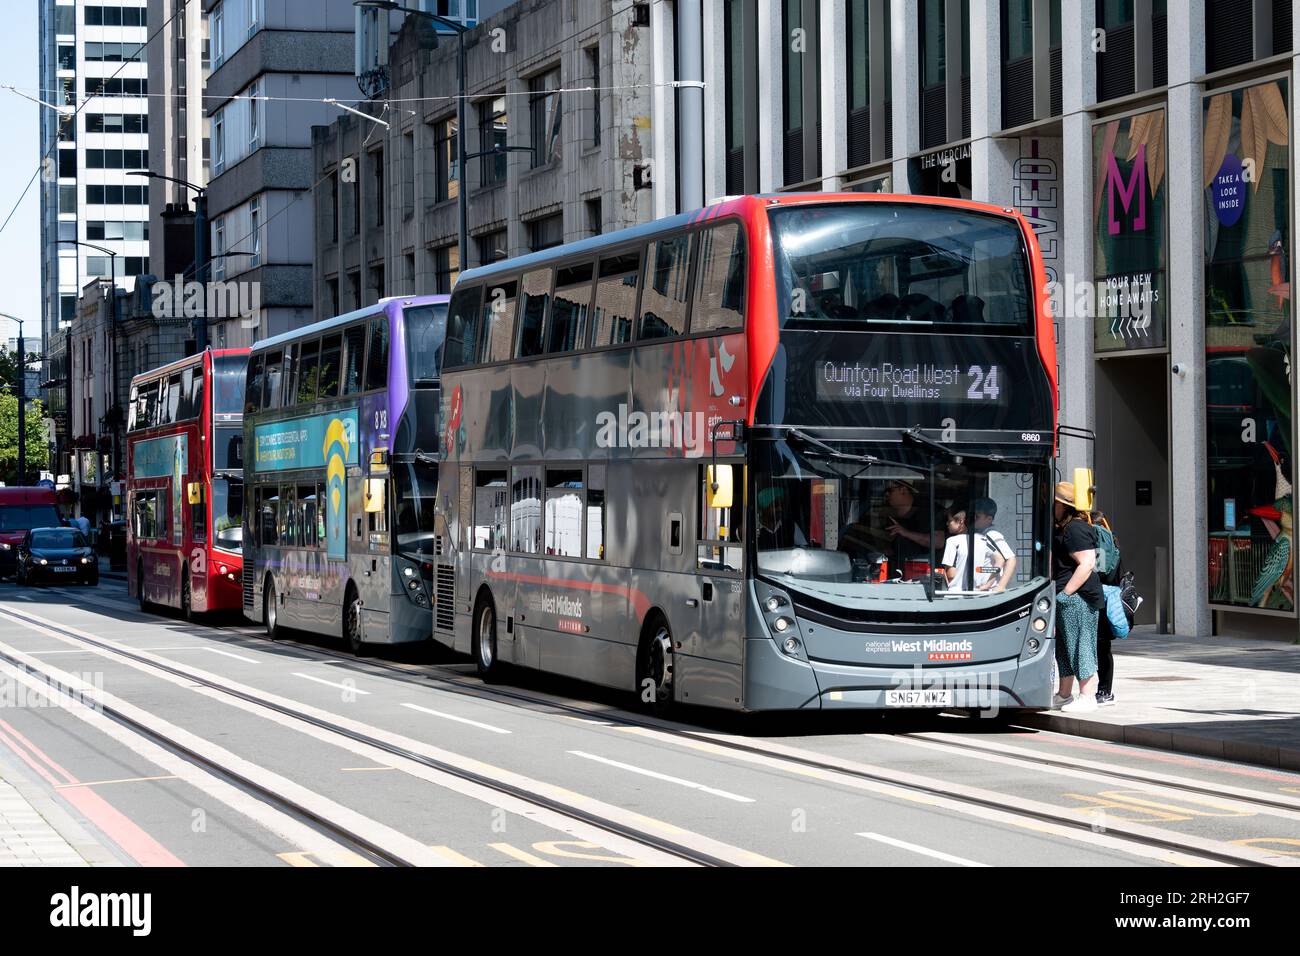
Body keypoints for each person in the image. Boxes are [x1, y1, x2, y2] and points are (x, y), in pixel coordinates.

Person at [1051, 482, 1106, 713]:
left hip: (1078, 597)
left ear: (1064, 506)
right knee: (1065, 647)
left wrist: (1066, 593)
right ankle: (1064, 695)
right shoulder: (1067, 528)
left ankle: (1087, 695)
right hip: (1070, 596)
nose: (1052, 506)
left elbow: (1087, 563)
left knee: (1080, 645)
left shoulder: (1075, 529)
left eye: (1055, 503)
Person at [970, 498, 1017, 592]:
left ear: (989, 519)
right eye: (973, 515)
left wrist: (1000, 586)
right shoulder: (981, 534)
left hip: (990, 592)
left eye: (977, 516)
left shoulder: (992, 535)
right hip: (983, 589)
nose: (974, 519)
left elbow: (1011, 559)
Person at [755, 486, 808, 550]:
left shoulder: (790, 525)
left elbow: (804, 549)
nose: (780, 508)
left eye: (781, 504)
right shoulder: (753, 528)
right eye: (776, 505)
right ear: (764, 508)